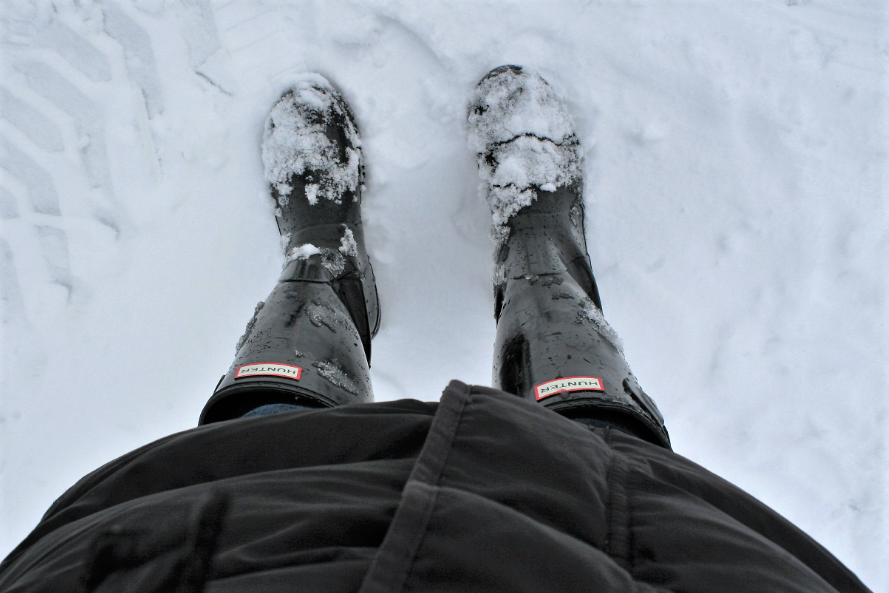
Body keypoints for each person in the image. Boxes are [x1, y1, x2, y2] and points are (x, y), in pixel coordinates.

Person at [0, 66, 869, 593]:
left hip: (228, 557)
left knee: (268, 439)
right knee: (598, 451)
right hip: (633, 562)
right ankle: (534, 261)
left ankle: (330, 269)